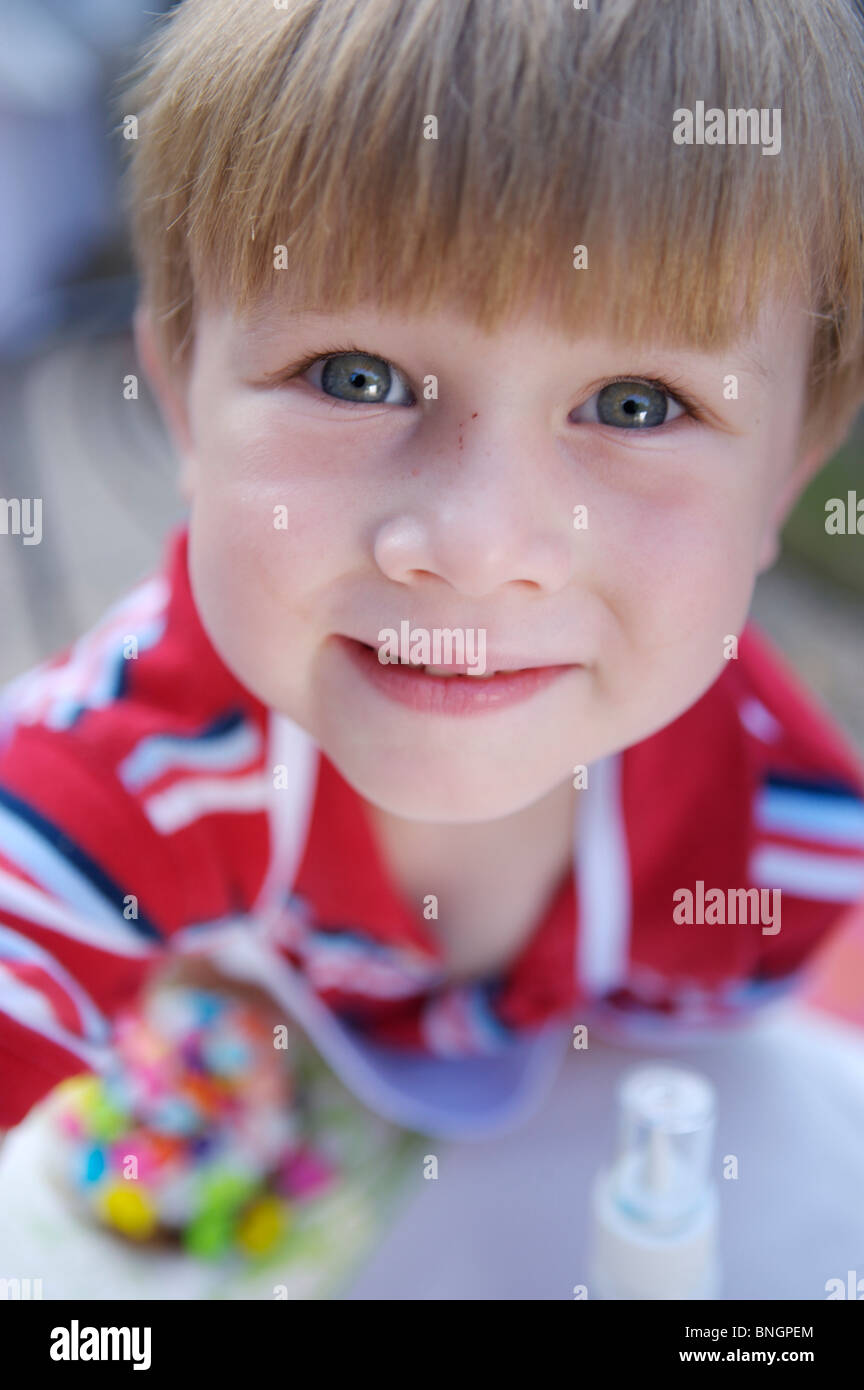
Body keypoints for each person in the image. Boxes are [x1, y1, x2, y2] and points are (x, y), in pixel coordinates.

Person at [1, 0, 864, 1156]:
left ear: (784, 480)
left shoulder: (783, 857)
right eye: (355, 377)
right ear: (181, 397)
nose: (474, 543)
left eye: (635, 406)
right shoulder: (87, 823)